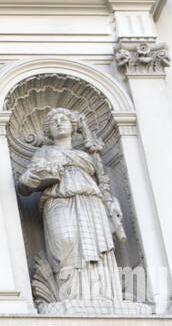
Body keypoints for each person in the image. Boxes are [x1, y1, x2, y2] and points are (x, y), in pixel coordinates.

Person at [17, 107, 125, 309]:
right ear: (48, 130)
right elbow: (24, 184)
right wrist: (39, 176)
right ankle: (69, 295)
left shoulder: (85, 156)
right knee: (66, 242)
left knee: (93, 246)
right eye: (54, 121)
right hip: (58, 200)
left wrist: (111, 203)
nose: (59, 123)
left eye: (63, 119)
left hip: (90, 202)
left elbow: (103, 184)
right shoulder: (44, 153)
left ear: (73, 126)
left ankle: (100, 295)